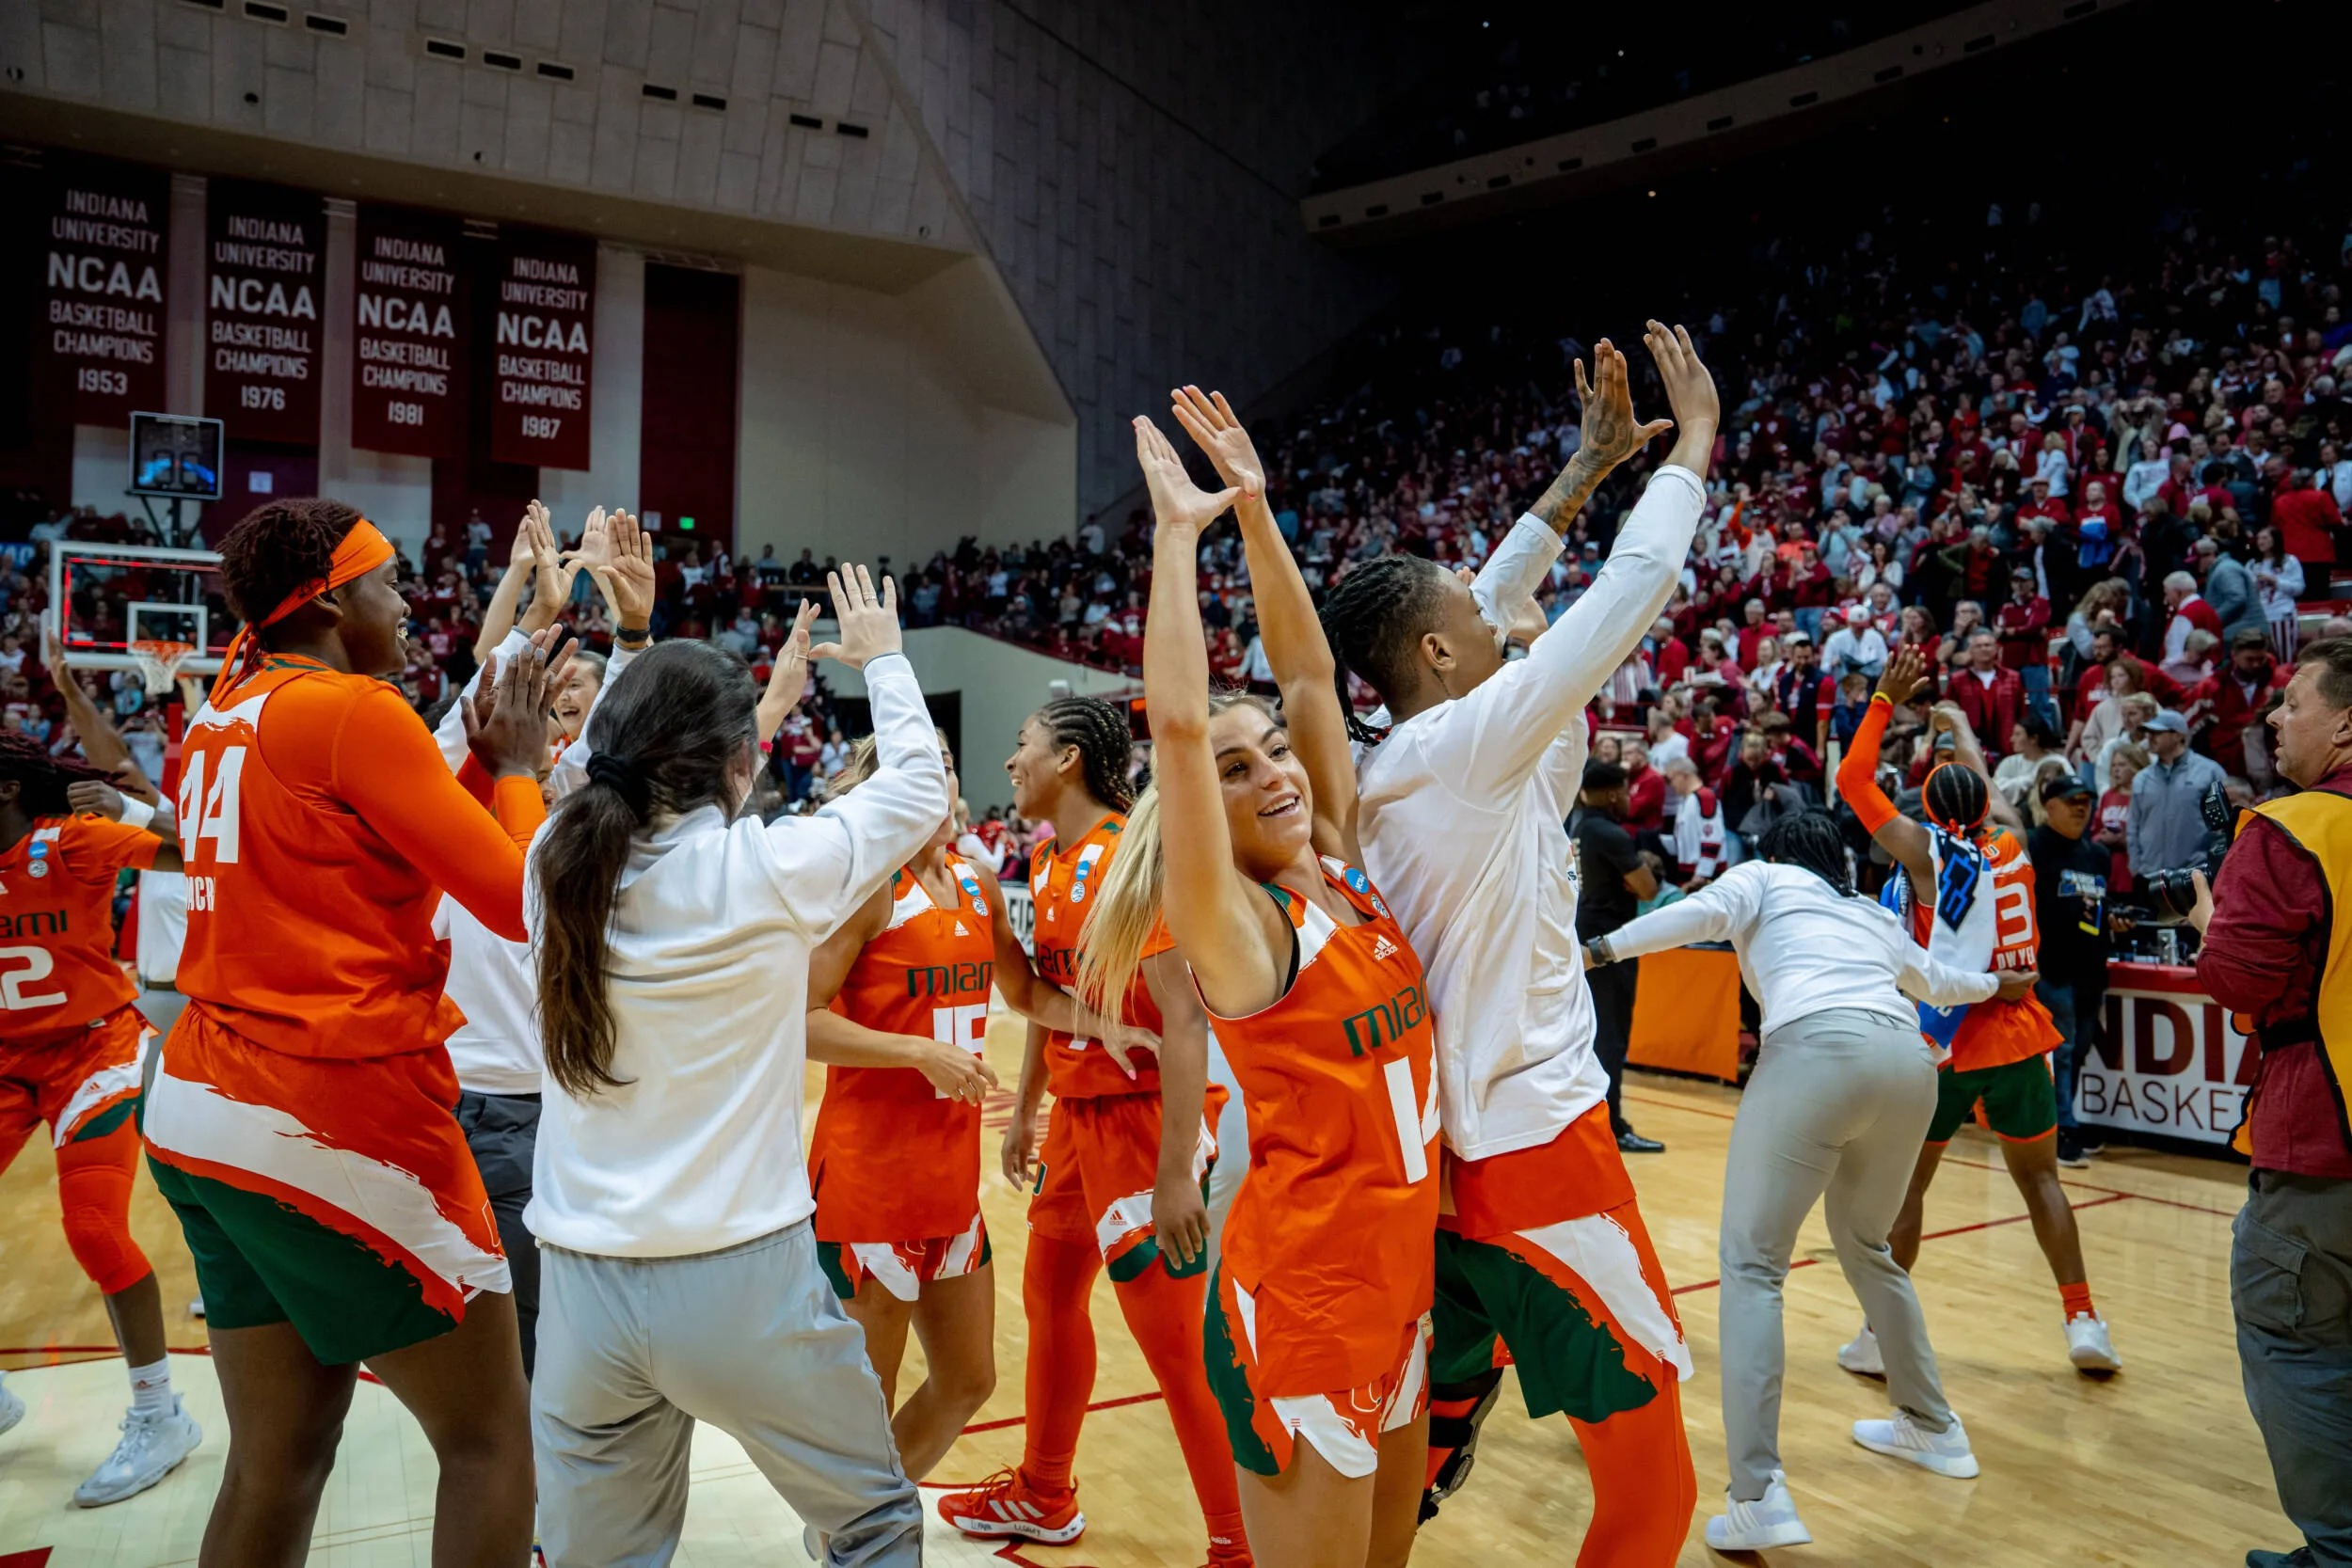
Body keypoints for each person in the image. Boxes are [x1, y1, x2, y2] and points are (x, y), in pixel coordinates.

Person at [1317, 325, 1710, 1560]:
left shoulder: (1403, 753)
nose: (1498, 616)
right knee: (1655, 1490)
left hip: (1435, 1165)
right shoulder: (1466, 745)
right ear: (1438, 655)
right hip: (1534, 1153)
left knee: (1414, 1456)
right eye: (1470, 614)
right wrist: (1692, 446)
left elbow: (1484, 602)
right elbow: (1628, 593)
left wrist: (1581, 472)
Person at [140, 498, 558, 1566]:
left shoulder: (222, 712)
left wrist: (482, 766)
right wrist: (518, 769)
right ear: (330, 600)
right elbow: (523, 901)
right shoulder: (352, 710)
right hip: (327, 1109)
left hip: (199, 1101)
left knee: (275, 1460)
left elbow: (380, 850)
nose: (409, 602)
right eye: (390, 581)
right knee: (489, 1438)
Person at [1080, 399, 1437, 1566]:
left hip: (1402, 1290)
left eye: (1273, 751)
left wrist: (1256, 508)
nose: (1274, 771)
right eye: (1238, 771)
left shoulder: (1341, 864)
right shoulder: (1241, 931)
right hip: (1308, 1308)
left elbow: (1311, 675)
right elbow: (1180, 729)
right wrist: (1178, 537)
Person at [524, 567, 939, 1567]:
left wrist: (669, 670)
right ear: (739, 763)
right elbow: (920, 788)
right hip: (739, 1273)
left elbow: (604, 776)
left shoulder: (553, 863)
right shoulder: (770, 867)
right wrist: (884, 656)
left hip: (579, 1285)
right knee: (873, 1523)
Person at [1589, 812, 2029, 1549]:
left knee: (1752, 1265)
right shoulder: (1868, 912)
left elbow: (1695, 914)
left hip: (1816, 1052)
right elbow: (1937, 980)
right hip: (1907, 1063)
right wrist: (1998, 982)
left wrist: (1599, 948)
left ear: (1776, 851)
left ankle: (1757, 1493)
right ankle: (1934, 1425)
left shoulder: (1763, 877)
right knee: (1867, 1246)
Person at [937, 688, 1242, 1564]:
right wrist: (1030, 1107)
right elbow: (1048, 997)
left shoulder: (1127, 856)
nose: (1010, 760)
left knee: (1175, 1346)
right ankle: (1044, 1490)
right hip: (1079, 1116)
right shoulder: (1046, 858)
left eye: (1024, 742)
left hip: (1143, 1123)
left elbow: (1185, 1019)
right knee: (1048, 1293)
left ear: (1067, 758)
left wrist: (1177, 1171)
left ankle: (1238, 1546)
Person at [804, 728, 1125, 1481]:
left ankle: (869, 1520)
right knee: (862, 1407)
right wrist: (917, 1051)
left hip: (949, 1177)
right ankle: (858, 1532)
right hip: (868, 1183)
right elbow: (800, 1019)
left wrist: (1112, 1024)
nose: (943, 779)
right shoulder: (870, 885)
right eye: (925, 766)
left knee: (967, 1378)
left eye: (947, 765)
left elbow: (1026, 993)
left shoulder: (977, 881)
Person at [1833, 647, 2121, 1376]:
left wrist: (1882, 701)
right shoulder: (2011, 841)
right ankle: (2084, 1319)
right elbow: (1988, 793)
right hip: (2020, 1037)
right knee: (2042, 1182)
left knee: (1909, 1188)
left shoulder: (1925, 855)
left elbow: (1852, 779)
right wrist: (1958, 725)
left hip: (1949, 1040)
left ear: (1927, 810)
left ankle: (1878, 1337)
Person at [0, 735, 201, 1507]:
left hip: (94, 1050)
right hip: (11, 1058)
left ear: (8, 787)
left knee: (93, 1228)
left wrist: (133, 809)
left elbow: (196, 857)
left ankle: (160, 1414)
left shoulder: (72, 842)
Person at [2186, 636, 2352, 1568]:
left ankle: (2337, 1551)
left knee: (2297, 1344)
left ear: (2345, 723)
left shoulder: (2289, 827)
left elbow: (2240, 982)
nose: (2274, 716)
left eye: (2292, 701)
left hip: (2323, 1139)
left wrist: (2213, 921)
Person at [1569, 759, 1663, 1152]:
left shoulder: (1579, 828)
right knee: (1611, 1036)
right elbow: (1648, 889)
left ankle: (1589, 1121)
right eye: (1625, 791)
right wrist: (1644, 870)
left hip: (1582, 933)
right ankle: (1613, 1125)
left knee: (1591, 1034)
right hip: (1610, 944)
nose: (1629, 798)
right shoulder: (1611, 833)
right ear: (1611, 794)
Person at [2028, 775, 2121, 1168]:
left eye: (2086, 800)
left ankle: (2065, 1122)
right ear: (2049, 805)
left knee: (2079, 1049)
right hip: (2052, 967)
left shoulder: (2098, 855)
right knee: (2062, 1052)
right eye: (2071, 801)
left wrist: (2115, 920)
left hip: (2091, 969)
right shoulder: (2032, 847)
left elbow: (2098, 910)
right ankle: (2062, 1129)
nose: (2082, 807)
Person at [2126, 709, 2227, 879]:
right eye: (2149, 733)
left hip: (2197, 874)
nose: (2150, 737)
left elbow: (2223, 827)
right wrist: (2136, 866)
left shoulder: (2209, 772)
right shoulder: (2141, 778)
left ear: (2178, 735)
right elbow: (2133, 826)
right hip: (2150, 875)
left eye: (2157, 733)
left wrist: (2214, 864)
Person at [1665, 753, 1729, 888]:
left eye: (1671, 779)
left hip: (1703, 875)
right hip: (1688, 869)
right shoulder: (1686, 801)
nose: (1671, 785)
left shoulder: (1705, 797)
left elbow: (1712, 836)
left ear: (1683, 775)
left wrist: (1703, 872)